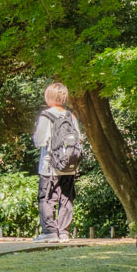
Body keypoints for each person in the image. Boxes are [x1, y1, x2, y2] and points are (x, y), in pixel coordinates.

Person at [32, 82, 81, 243]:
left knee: (47, 197)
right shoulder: (70, 116)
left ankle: (50, 232)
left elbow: (40, 141)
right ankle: (64, 232)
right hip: (69, 166)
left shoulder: (46, 116)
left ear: (48, 97)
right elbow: (78, 139)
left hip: (49, 166)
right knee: (66, 198)